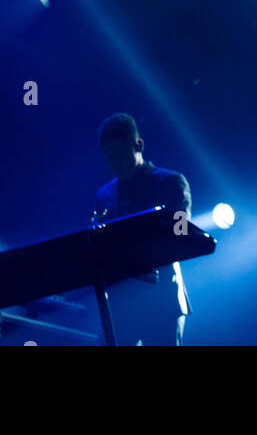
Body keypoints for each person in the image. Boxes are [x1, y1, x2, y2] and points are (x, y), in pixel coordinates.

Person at [94, 112, 191, 345]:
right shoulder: (104, 195)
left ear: (138, 145)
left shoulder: (170, 182)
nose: (115, 163)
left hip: (161, 299)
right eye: (109, 158)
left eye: (120, 155)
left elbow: (182, 235)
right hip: (120, 304)